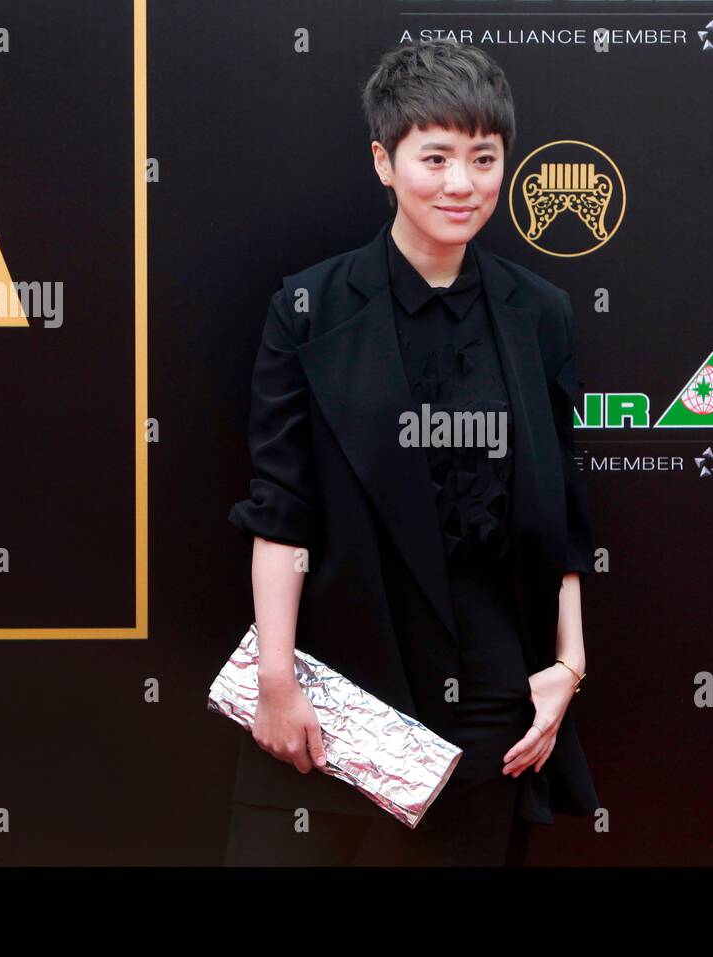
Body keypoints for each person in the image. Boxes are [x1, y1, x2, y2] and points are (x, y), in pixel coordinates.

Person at [223, 38, 598, 866]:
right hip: (338, 678)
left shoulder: (539, 313)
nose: (461, 184)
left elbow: (565, 507)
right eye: (434, 157)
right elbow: (280, 509)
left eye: (482, 158)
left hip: (495, 690)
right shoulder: (309, 308)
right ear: (384, 163)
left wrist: (566, 665)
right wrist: (277, 682)